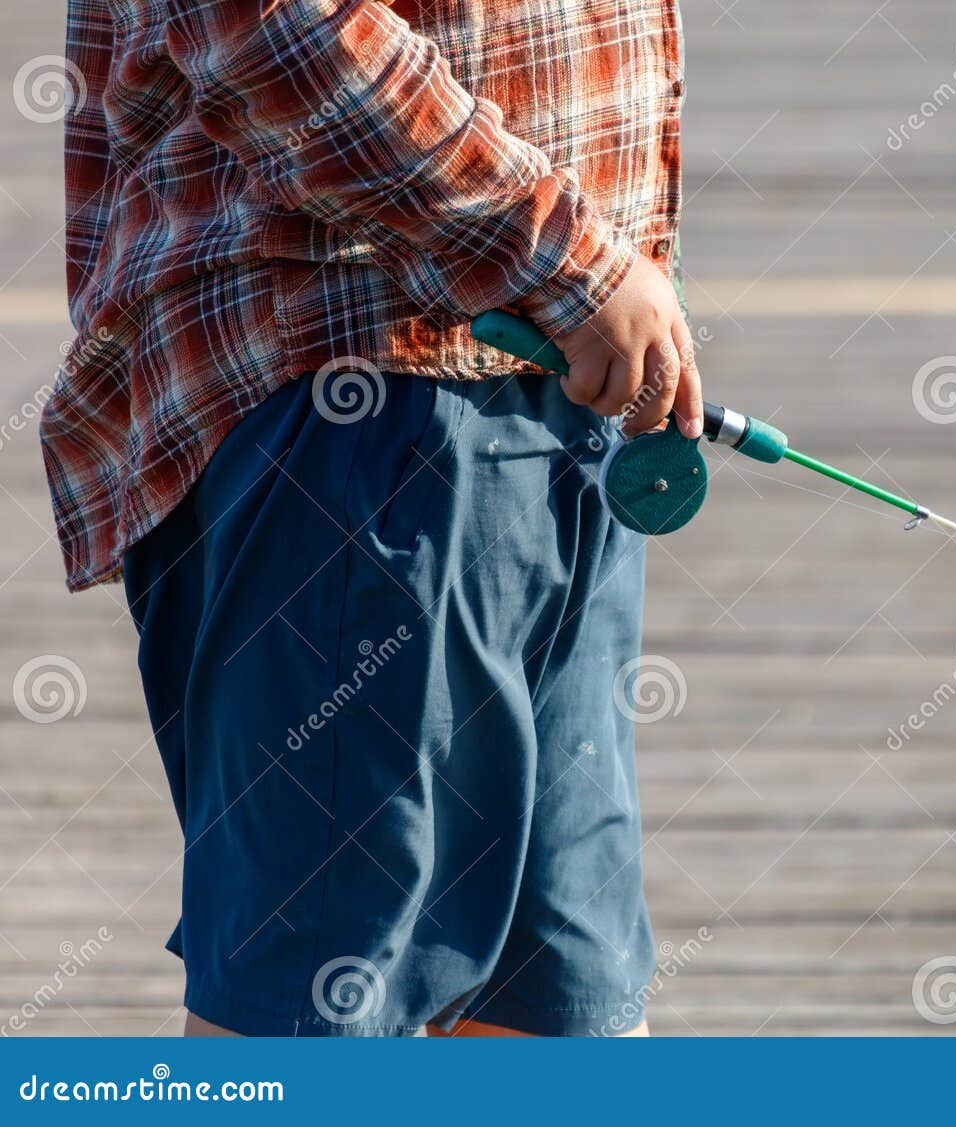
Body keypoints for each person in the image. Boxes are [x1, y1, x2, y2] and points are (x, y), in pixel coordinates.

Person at [42, 0, 700, 1037]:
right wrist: (562, 258)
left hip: (559, 391)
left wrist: (591, 280)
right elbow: (264, 26)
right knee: (315, 1020)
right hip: (359, 402)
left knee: (556, 1006)